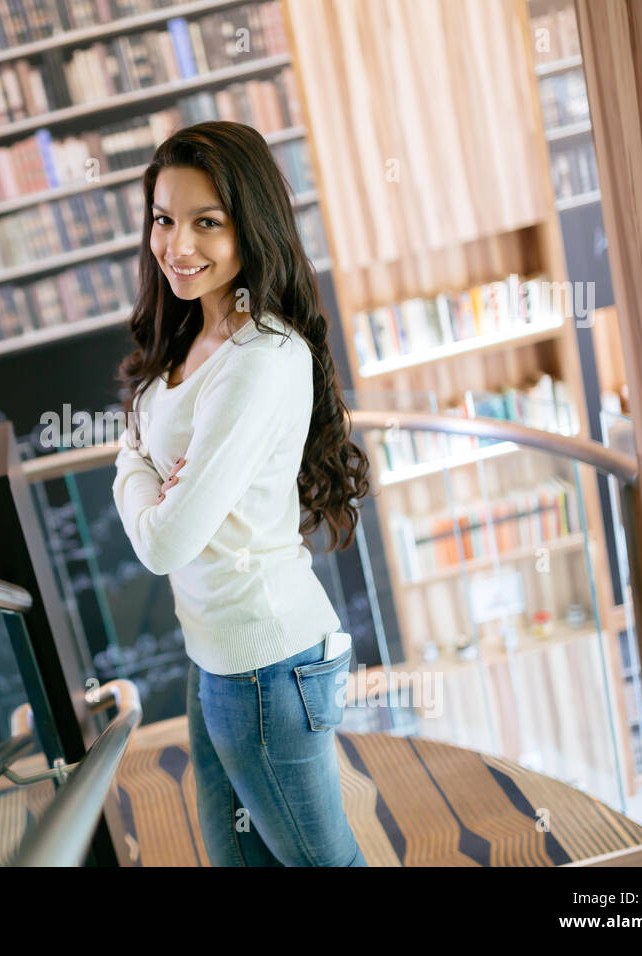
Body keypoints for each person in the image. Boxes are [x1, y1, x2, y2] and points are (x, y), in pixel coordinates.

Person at [111, 121, 371, 867]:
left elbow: (164, 541)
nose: (177, 245)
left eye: (206, 223)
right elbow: (147, 470)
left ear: (248, 227)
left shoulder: (260, 357)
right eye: (164, 219)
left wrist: (132, 467)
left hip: (268, 663)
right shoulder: (196, 331)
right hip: (219, 657)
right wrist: (147, 471)